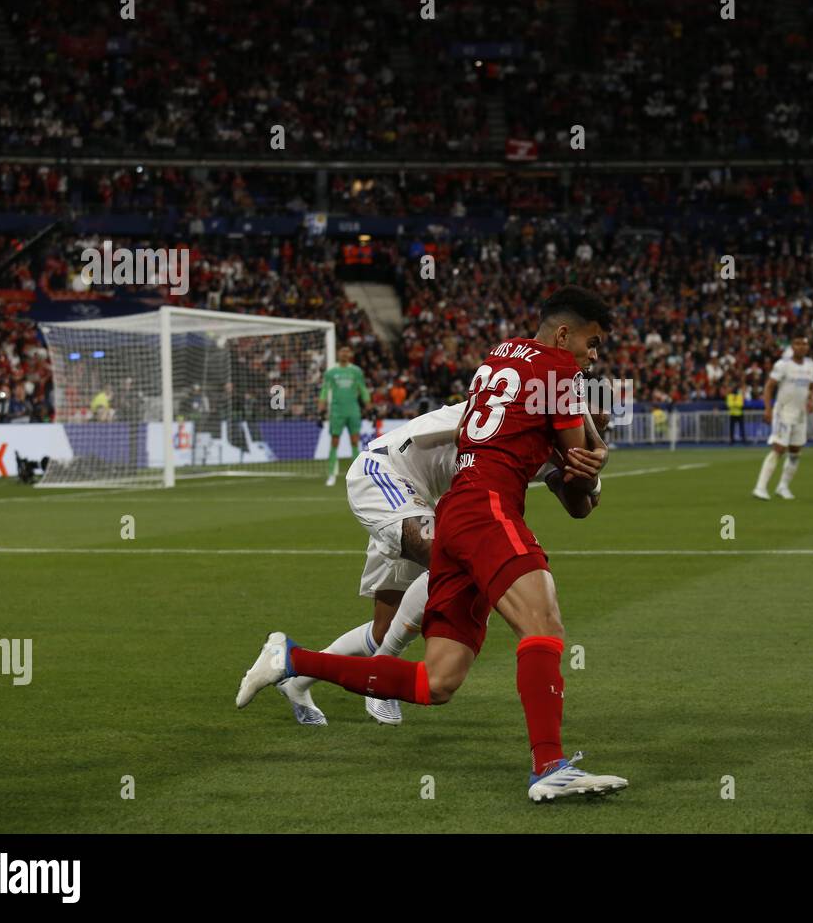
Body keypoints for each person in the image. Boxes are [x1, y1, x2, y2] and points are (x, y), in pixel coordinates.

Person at [237, 287, 628, 802]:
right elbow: (579, 496)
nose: (594, 356)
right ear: (563, 334)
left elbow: (572, 485)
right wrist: (594, 452)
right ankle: (549, 765)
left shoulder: (501, 357)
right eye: (592, 342)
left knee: (438, 682)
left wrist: (583, 458)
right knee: (543, 622)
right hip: (478, 504)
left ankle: (293, 660)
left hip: (456, 511)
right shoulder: (560, 371)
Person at [275, 400, 610, 727]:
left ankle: (297, 681)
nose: (601, 428)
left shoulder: (556, 451)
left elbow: (579, 507)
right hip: (387, 473)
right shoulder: (517, 411)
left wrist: (589, 474)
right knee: (453, 565)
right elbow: (465, 434)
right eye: (595, 422)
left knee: (384, 628)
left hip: (429, 500)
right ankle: (384, 666)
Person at [753, 335, 813, 501]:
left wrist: (812, 401)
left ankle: (783, 486)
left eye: (804, 343)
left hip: (801, 414)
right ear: (792, 346)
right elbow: (769, 387)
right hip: (783, 413)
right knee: (779, 449)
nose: (801, 346)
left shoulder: (811, 365)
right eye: (797, 343)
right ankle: (760, 487)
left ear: (807, 347)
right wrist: (767, 409)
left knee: (795, 452)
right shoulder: (783, 365)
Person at [319, 346, 371, 486]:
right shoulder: (331, 372)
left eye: (347, 351)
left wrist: (368, 405)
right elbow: (325, 390)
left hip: (353, 410)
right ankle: (331, 474)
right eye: (342, 351)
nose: (344, 353)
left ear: (350, 354)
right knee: (334, 441)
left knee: (355, 441)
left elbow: (363, 389)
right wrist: (321, 407)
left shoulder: (356, 371)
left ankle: (357, 474)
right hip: (337, 411)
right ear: (338, 354)